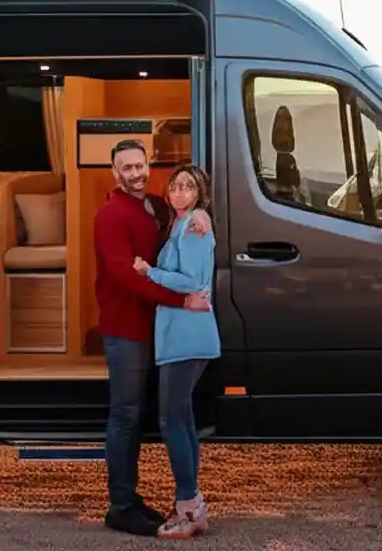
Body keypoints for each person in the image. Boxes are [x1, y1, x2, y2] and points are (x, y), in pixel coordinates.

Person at [93, 139, 211, 537]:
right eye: (126, 168)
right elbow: (123, 274)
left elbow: (184, 222)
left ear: (148, 165)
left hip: (156, 329)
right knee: (125, 415)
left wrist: (202, 218)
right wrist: (179, 298)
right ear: (115, 173)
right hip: (125, 329)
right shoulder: (110, 215)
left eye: (140, 165)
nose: (136, 173)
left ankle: (136, 499)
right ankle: (121, 506)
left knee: (145, 414)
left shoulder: (156, 208)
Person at [132, 164, 220, 539]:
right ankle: (192, 507)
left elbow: (193, 282)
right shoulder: (180, 225)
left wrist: (149, 272)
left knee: (172, 420)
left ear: (199, 195)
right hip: (180, 337)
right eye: (176, 186)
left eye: (189, 187)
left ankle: (189, 505)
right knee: (181, 419)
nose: (181, 191)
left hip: (187, 337)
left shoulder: (194, 228)